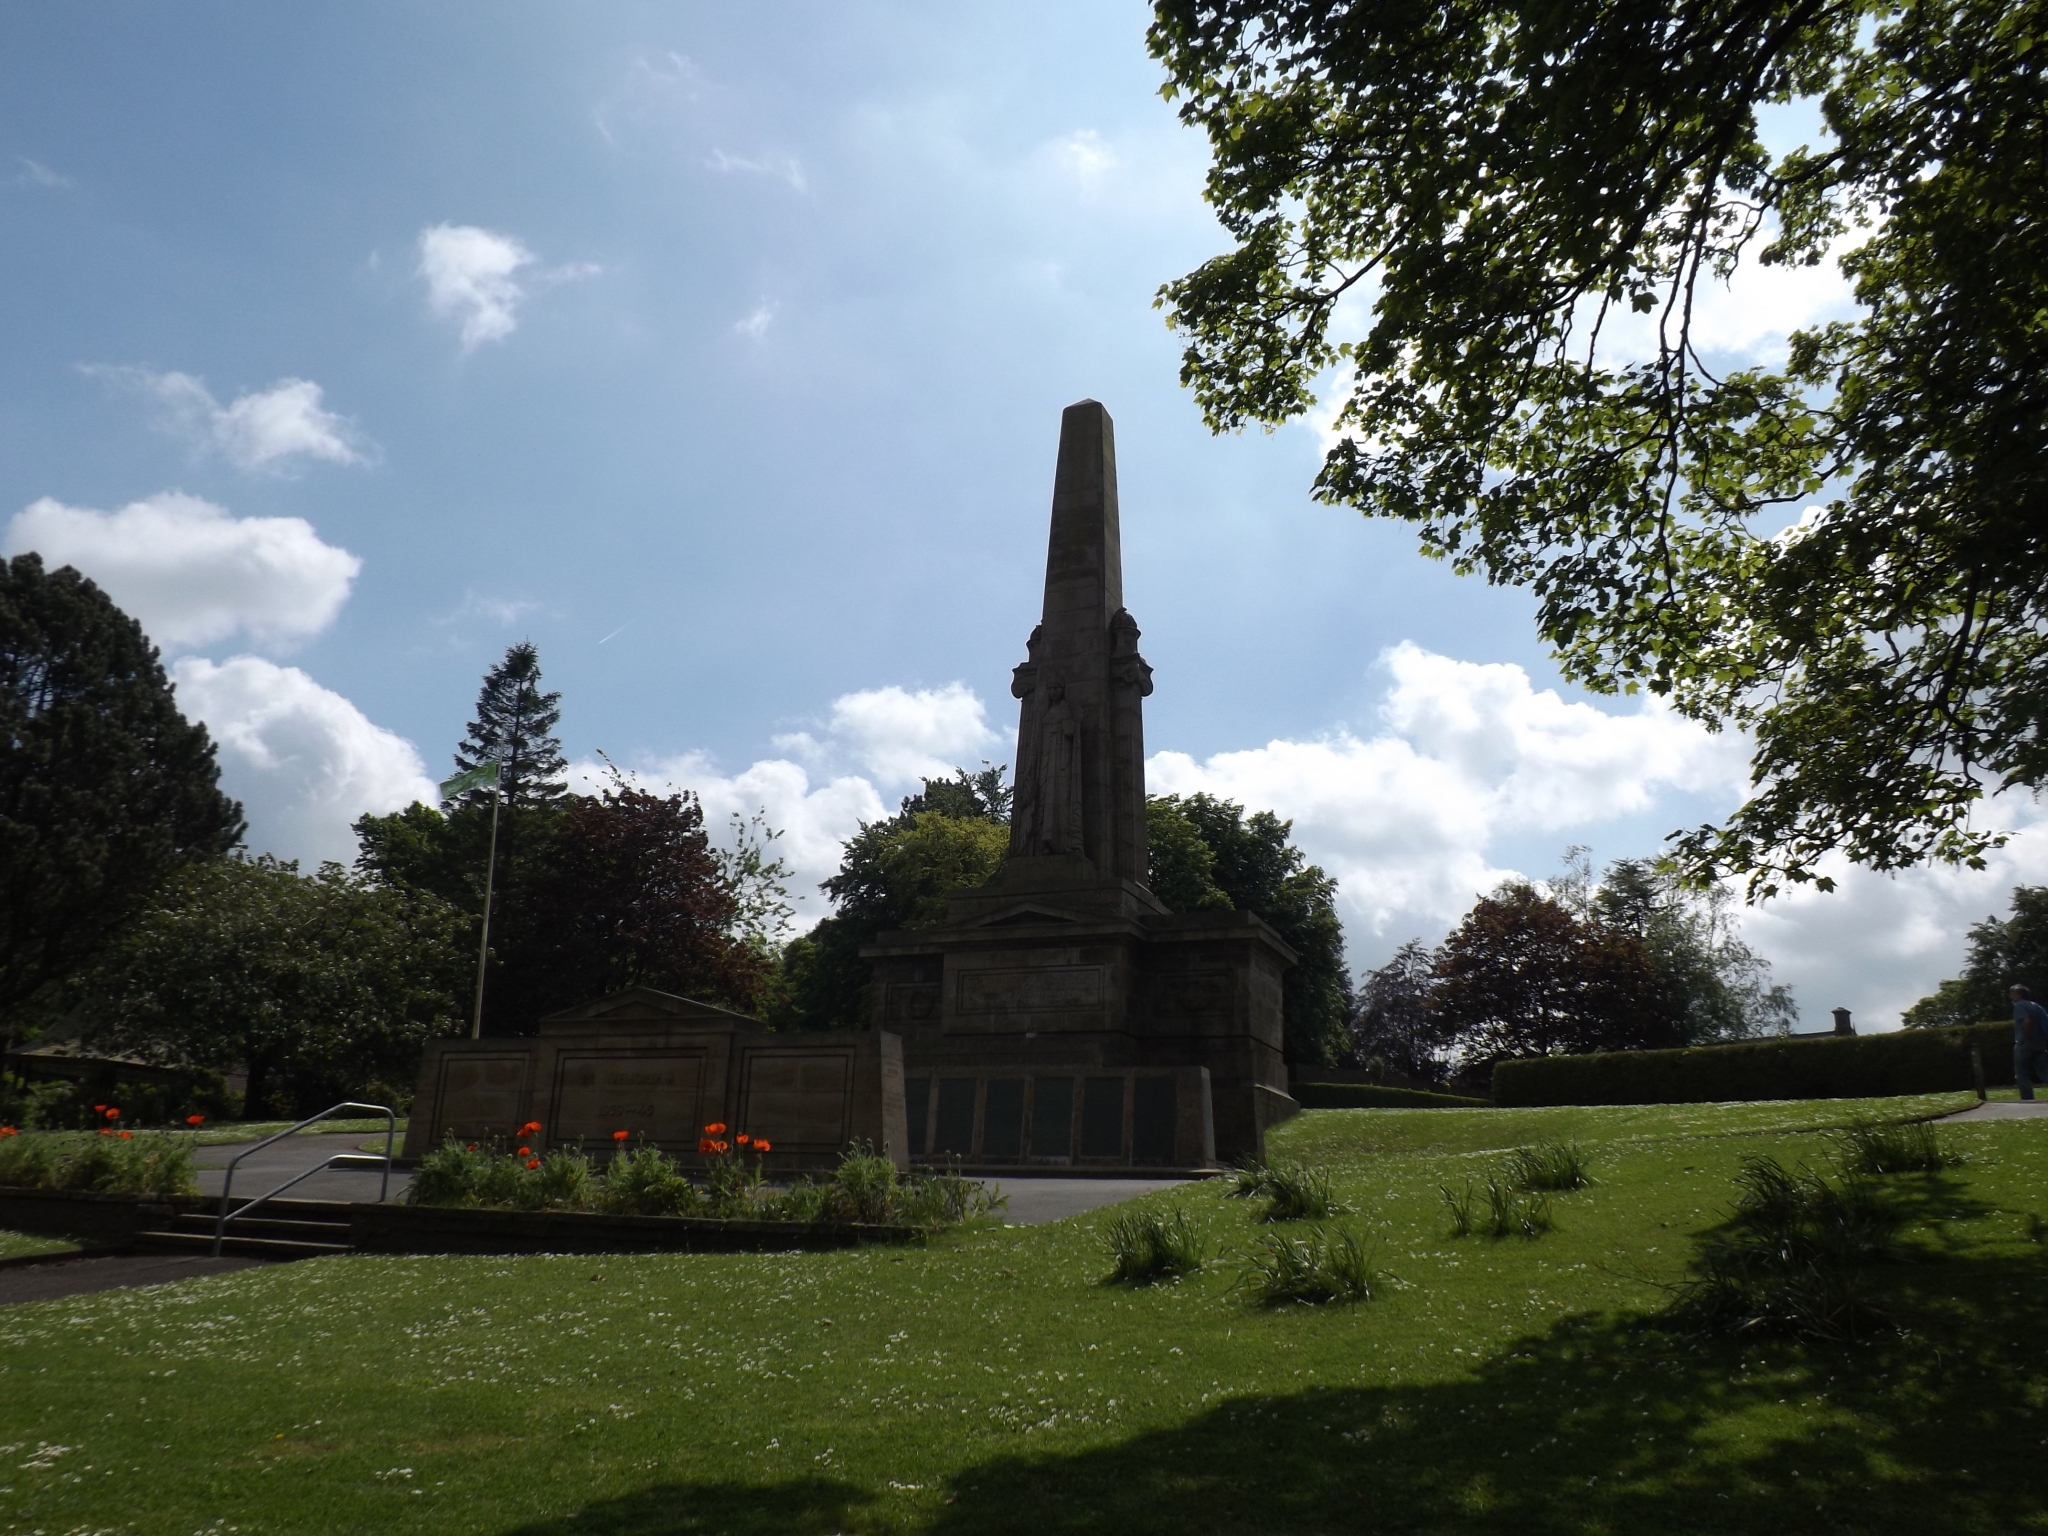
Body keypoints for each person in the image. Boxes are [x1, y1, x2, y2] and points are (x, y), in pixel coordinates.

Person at [2009, 985, 2048, 1102]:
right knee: (2043, 1071)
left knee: (2021, 1073)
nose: (2011, 996)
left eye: (2013, 993)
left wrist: (2026, 1037)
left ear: (2020, 995)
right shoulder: (2036, 1006)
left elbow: (2026, 1021)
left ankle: (2027, 1099)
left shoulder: (2019, 1005)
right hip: (2040, 1043)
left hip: (2025, 1043)